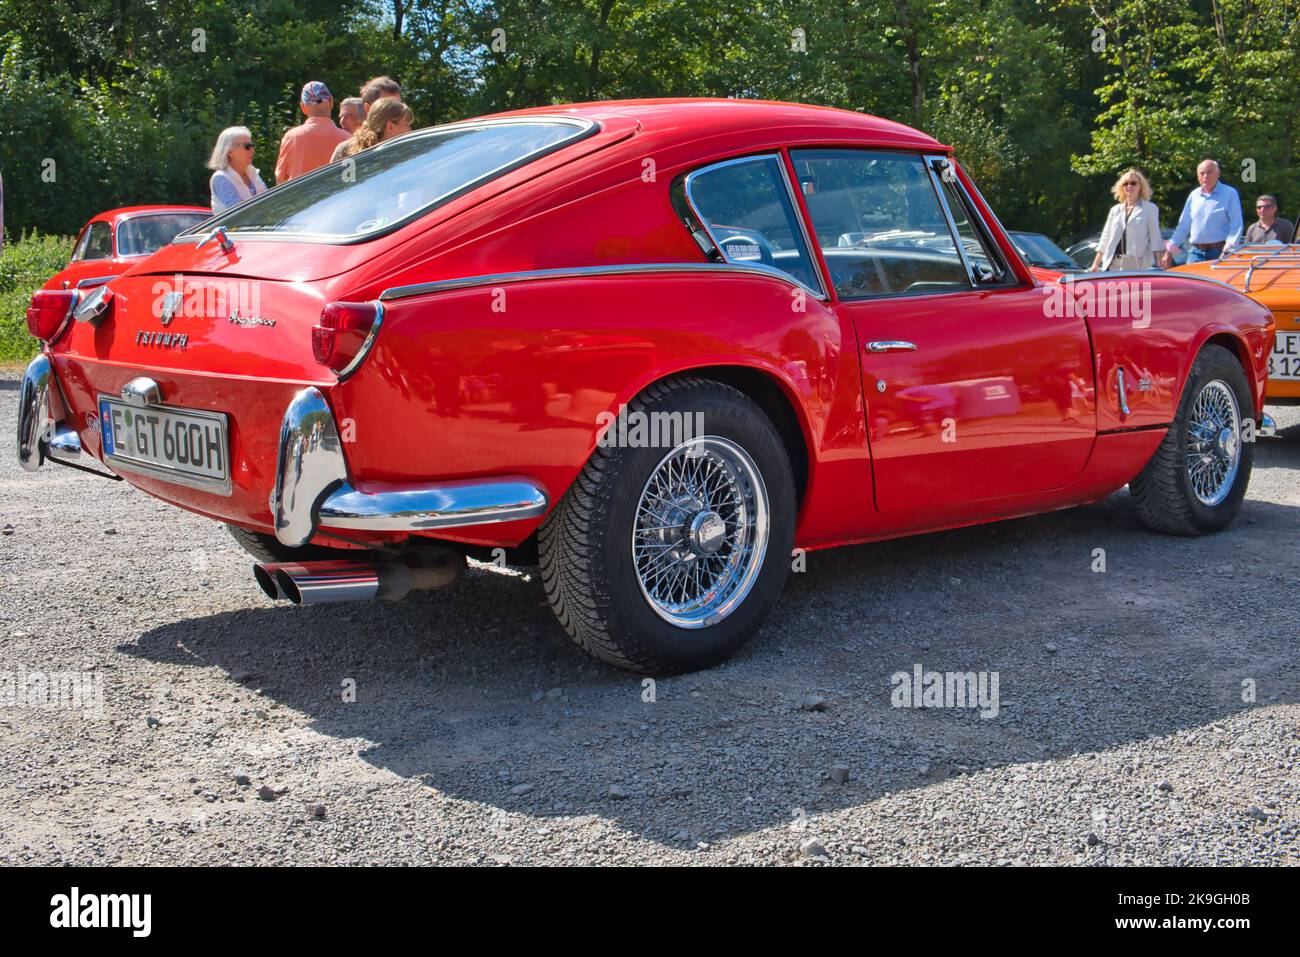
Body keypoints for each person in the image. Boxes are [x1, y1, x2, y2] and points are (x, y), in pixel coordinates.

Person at [1162, 159, 1243, 266]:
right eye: (1202, 173)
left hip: (1220, 252)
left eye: (1209, 172)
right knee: (1190, 282)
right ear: (1198, 177)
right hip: (1195, 252)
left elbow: (1236, 225)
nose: (1205, 176)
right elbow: (1183, 226)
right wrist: (1170, 251)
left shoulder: (1229, 193)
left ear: (1218, 174)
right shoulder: (1194, 195)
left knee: (1216, 283)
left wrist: (1229, 249)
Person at [274, 81, 350, 183]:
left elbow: (280, 178)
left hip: (301, 198)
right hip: (337, 198)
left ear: (303, 107)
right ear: (331, 102)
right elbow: (352, 179)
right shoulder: (348, 139)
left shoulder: (292, 137)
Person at [1091, 168, 1163, 271]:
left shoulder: (1150, 209)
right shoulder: (1115, 210)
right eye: (1125, 184)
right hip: (1114, 263)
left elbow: (1155, 237)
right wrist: (1096, 263)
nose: (1129, 186)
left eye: (1133, 183)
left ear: (1140, 187)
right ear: (1122, 187)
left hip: (1137, 264)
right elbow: (1105, 237)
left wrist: (1159, 261)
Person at [330, 98, 413, 163]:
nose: (410, 130)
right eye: (407, 124)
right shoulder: (402, 156)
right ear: (390, 126)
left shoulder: (343, 150)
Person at [208, 126, 268, 213]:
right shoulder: (221, 178)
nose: (252, 150)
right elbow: (240, 213)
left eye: (252, 146)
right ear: (229, 151)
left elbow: (269, 203)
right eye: (247, 146)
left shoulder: (253, 172)